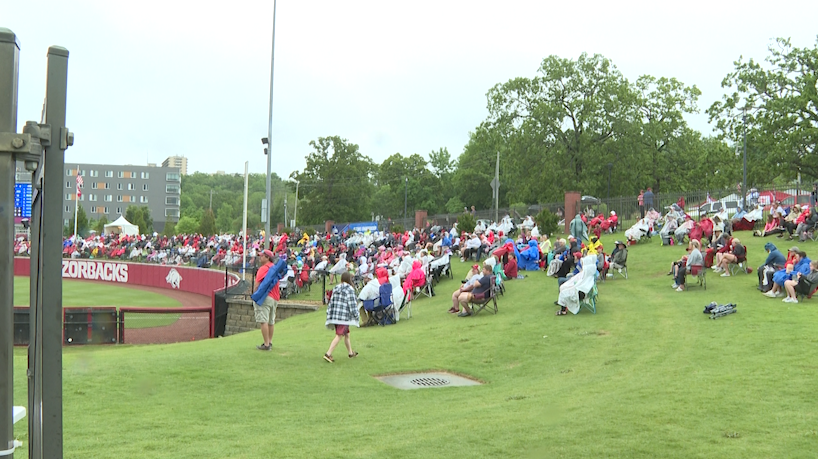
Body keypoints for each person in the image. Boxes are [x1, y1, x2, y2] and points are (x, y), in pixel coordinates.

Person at [323, 272, 360, 363]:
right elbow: (352, 304)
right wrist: (356, 314)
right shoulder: (350, 289)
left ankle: (350, 353)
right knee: (339, 335)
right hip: (344, 317)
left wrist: (329, 313)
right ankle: (328, 354)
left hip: (335, 316)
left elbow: (331, 302)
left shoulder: (336, 288)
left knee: (346, 334)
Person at [251, 250, 283, 351]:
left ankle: (266, 344)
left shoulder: (263, 268)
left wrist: (254, 294)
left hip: (265, 297)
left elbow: (257, 284)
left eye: (262, 256)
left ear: (267, 257)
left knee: (263, 320)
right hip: (275, 297)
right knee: (271, 321)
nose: (260, 258)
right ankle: (270, 341)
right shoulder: (274, 268)